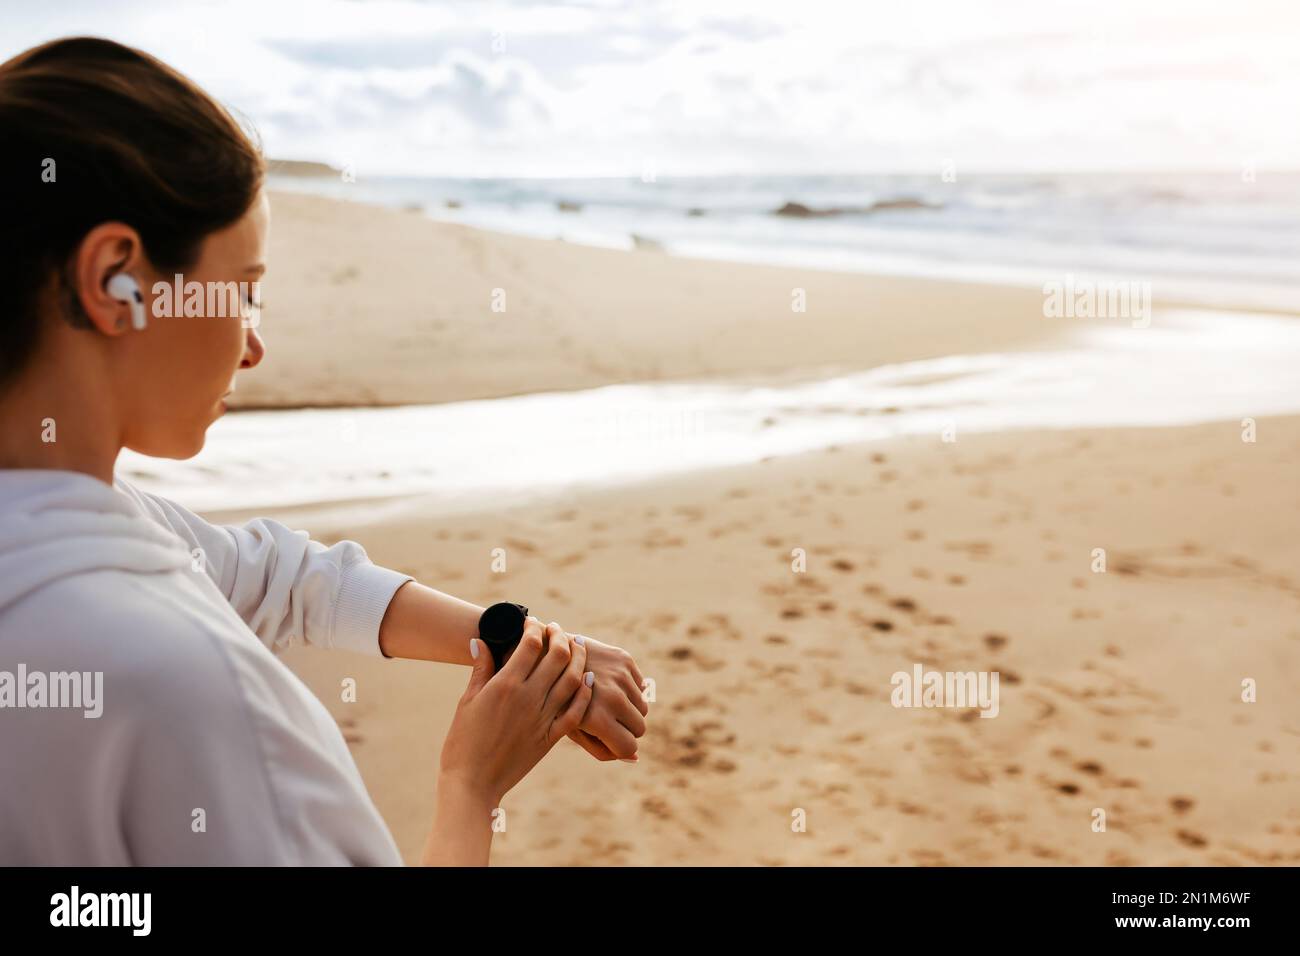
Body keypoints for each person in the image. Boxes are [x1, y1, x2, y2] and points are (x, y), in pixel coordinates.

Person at [0, 36, 649, 866]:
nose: (252, 345)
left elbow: (278, 575)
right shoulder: (184, 687)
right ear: (117, 280)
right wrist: (472, 788)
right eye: (241, 292)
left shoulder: (70, 527)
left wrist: (506, 635)